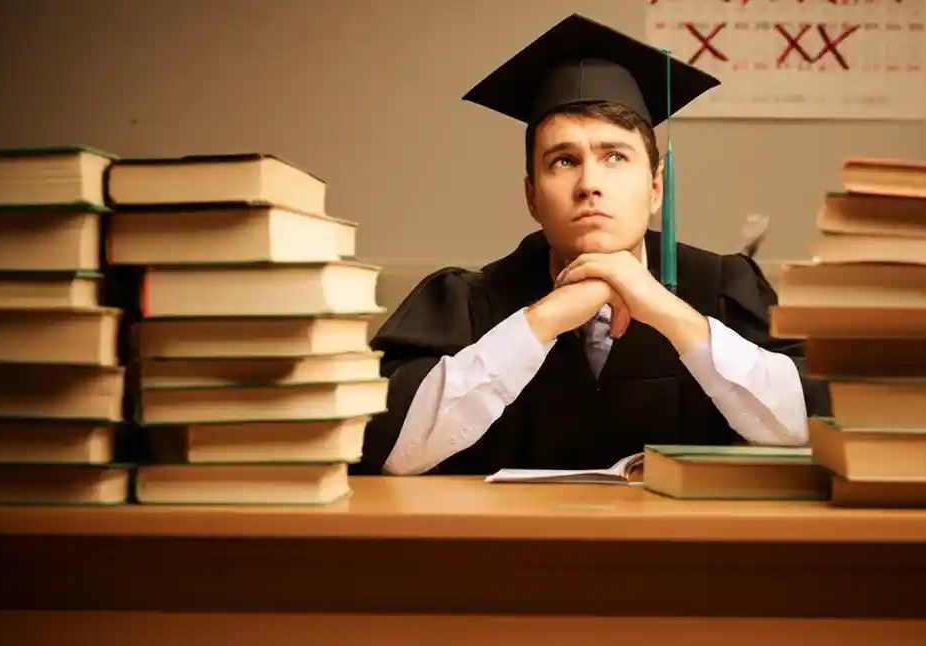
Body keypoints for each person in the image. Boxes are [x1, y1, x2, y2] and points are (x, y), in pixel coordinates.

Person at [355, 14, 830, 476]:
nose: (589, 184)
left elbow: (821, 429)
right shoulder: (470, 301)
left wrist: (670, 314)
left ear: (656, 188)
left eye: (615, 156)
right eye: (563, 161)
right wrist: (543, 320)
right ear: (532, 197)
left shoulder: (723, 287)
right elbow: (381, 446)